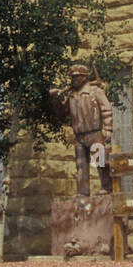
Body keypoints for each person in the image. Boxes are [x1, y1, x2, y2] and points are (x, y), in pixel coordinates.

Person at [48, 65, 113, 196]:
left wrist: (108, 129)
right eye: (72, 77)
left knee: (101, 162)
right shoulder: (71, 95)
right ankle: (83, 192)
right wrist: (55, 99)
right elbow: (61, 113)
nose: (74, 79)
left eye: (77, 76)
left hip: (94, 133)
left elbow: (107, 110)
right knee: (81, 165)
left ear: (84, 77)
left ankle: (107, 187)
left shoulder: (95, 91)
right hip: (79, 136)